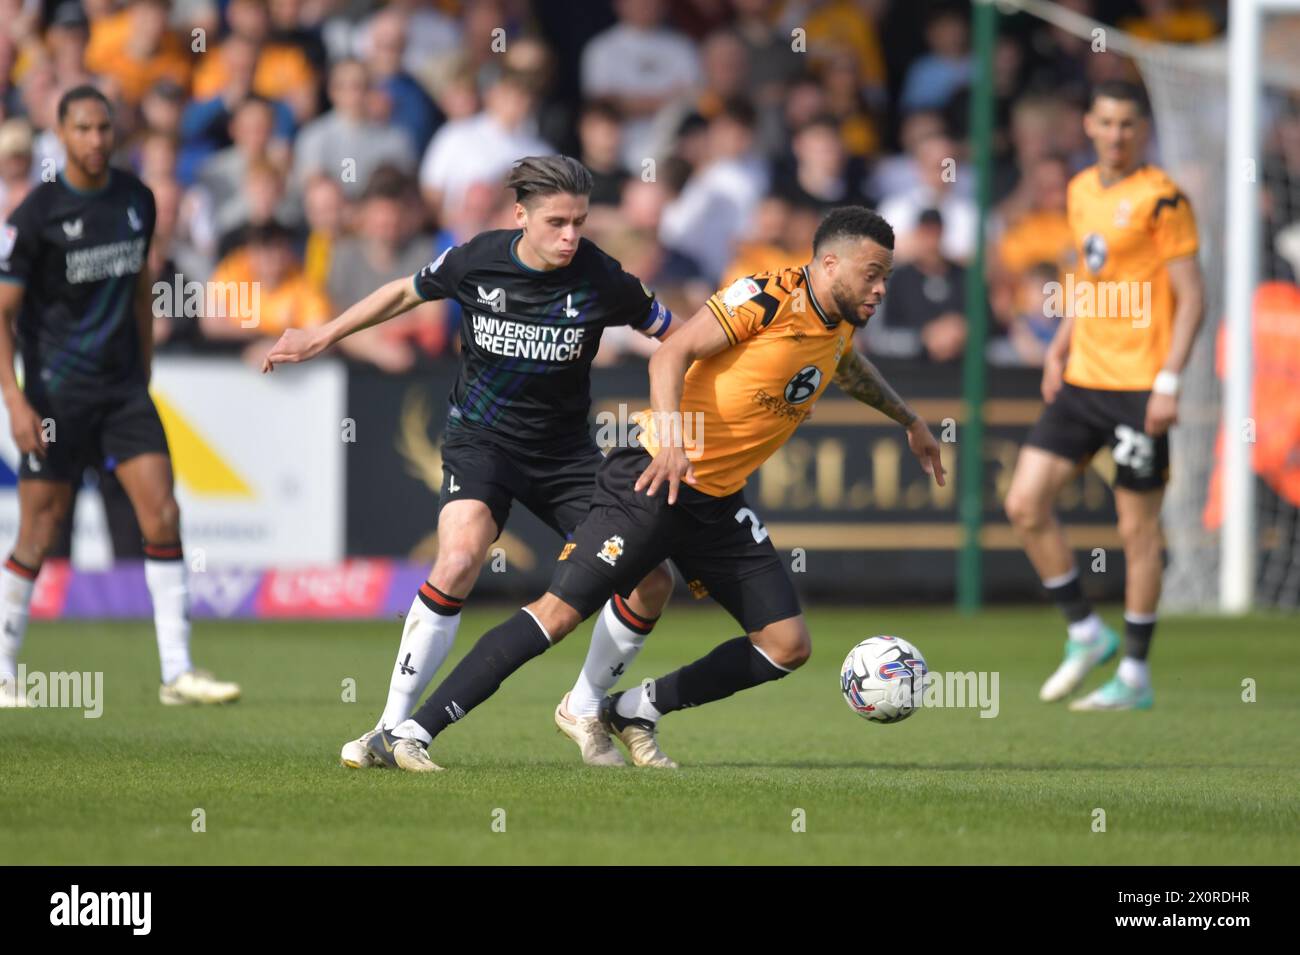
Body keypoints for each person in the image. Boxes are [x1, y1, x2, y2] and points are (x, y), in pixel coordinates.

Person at [364, 205, 946, 773]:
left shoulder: (839, 322)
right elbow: (671, 353)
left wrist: (909, 420)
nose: (880, 290)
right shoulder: (765, 297)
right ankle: (411, 732)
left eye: (886, 278)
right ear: (829, 263)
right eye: (872, 275)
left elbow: (847, 366)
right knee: (559, 613)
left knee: (786, 645)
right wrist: (671, 440)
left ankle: (634, 709)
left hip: (716, 499)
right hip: (650, 475)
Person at [261, 156, 678, 768]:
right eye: (557, 222)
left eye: (580, 223)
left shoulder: (602, 277)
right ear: (520, 216)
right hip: (481, 441)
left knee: (653, 578)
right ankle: (387, 728)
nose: (570, 236)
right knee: (457, 559)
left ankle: (585, 707)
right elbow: (405, 292)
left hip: (565, 455)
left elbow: (683, 336)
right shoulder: (476, 259)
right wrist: (321, 335)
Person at [0, 86, 240, 708]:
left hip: (123, 393)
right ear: (62, 134)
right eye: (84, 129)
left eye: (106, 128)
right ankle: (1, 670)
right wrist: (16, 400)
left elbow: (141, 291)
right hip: (54, 397)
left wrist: (145, 368)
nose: (97, 139)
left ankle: (178, 673)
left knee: (162, 513)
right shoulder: (35, 216)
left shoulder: (138, 199)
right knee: (39, 529)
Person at [1004, 81, 1204, 711]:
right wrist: (1062, 344)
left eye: (1128, 125)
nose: (1116, 134)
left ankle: (1136, 678)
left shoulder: (1163, 198)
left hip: (1139, 390)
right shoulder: (1080, 189)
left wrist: (1169, 381)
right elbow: (1090, 279)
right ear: (1088, 124)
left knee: (1136, 531)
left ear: (1141, 131)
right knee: (1025, 504)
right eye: (1107, 122)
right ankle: (1087, 632)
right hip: (1084, 380)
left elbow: (1194, 297)